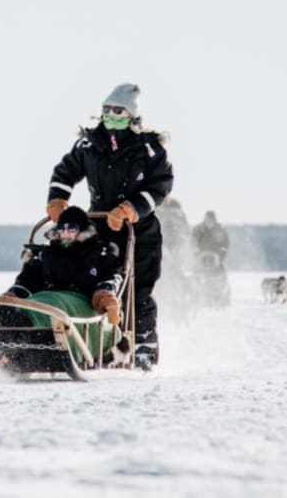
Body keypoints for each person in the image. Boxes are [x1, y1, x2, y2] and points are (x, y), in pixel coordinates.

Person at [44, 83, 173, 371]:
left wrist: (131, 208)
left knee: (136, 292)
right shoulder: (89, 144)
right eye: (106, 110)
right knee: (93, 285)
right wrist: (57, 201)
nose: (110, 115)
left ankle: (142, 351)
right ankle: (97, 344)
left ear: (131, 116)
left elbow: (160, 185)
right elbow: (65, 171)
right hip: (100, 230)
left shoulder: (149, 148)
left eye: (117, 110)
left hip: (139, 233)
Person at [0, 205, 124, 327]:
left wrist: (104, 296)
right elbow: (27, 280)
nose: (65, 234)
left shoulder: (99, 254)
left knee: (51, 306)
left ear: (83, 230)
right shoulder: (46, 254)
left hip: (82, 308)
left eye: (71, 229)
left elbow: (109, 277)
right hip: (45, 303)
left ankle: (22, 326)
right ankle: (3, 329)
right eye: (61, 229)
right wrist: (12, 296)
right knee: (23, 307)